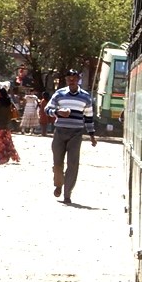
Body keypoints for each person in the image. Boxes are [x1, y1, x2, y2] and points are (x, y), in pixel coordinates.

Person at [44, 70, 97, 205]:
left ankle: (67, 193)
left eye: (74, 78)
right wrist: (57, 111)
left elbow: (89, 117)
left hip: (76, 133)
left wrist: (92, 135)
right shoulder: (59, 94)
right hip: (60, 132)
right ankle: (58, 184)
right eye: (69, 78)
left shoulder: (85, 97)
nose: (71, 81)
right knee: (57, 163)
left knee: (73, 164)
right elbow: (47, 109)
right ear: (66, 80)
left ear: (78, 79)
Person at [0, 85, 20, 165]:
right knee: (7, 142)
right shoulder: (9, 102)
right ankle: (9, 157)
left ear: (0, 94)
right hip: (7, 125)